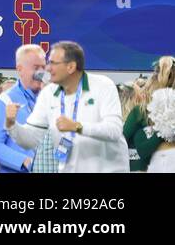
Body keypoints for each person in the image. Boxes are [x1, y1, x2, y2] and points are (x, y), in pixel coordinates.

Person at [7, 40, 128, 172]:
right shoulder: (48, 93)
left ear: (71, 67)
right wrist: (12, 125)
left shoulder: (103, 85)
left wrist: (77, 126)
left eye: (53, 63)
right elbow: (30, 139)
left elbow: (114, 130)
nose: (47, 68)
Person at [0, 44, 48, 173]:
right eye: (36, 67)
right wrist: (24, 161)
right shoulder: (4, 101)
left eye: (43, 67)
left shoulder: (53, 100)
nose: (41, 73)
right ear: (20, 69)